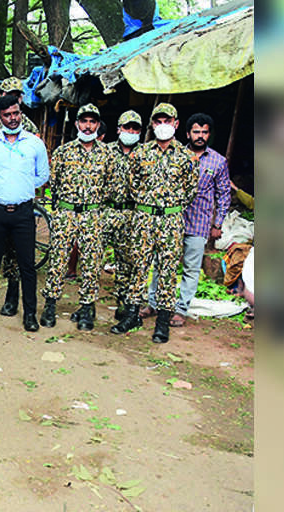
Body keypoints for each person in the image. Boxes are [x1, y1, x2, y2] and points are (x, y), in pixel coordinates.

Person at [111, 103, 198, 343]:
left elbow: (190, 191)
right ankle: (132, 315)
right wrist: (147, 203)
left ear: (176, 124)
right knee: (138, 267)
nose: (162, 126)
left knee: (168, 270)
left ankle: (162, 323)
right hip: (144, 218)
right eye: (158, 121)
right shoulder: (141, 153)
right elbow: (133, 184)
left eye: (167, 121)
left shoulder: (187, 157)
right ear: (152, 124)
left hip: (171, 219)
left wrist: (168, 205)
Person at [0, 94, 48, 332]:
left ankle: (30, 314)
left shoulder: (35, 143)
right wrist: (1, 189)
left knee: (27, 265)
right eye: (7, 115)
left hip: (24, 213)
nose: (13, 119)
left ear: (20, 112)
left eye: (16, 113)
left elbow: (42, 175)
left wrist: (20, 186)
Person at [145, 112, 231, 327]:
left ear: (209, 134)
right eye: (196, 131)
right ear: (187, 133)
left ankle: (181, 309)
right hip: (170, 221)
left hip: (199, 224)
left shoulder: (218, 161)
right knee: (162, 263)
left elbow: (224, 195)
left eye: (204, 132)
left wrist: (217, 224)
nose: (200, 136)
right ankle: (152, 303)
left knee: (191, 269)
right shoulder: (176, 155)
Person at [40, 103, 114, 331]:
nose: (88, 126)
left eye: (93, 121)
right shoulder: (63, 152)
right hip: (66, 212)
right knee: (58, 259)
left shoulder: (107, 154)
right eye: (84, 121)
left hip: (92, 214)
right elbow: (54, 182)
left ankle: (86, 308)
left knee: (91, 262)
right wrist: (61, 210)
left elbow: (111, 186)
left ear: (98, 125)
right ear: (76, 123)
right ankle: (50, 304)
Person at [101, 109, 143, 321]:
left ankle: (122, 303)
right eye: (127, 127)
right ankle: (86, 305)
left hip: (131, 214)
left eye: (135, 128)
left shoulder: (145, 155)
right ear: (119, 129)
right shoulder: (105, 151)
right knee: (93, 257)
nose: (131, 131)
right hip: (106, 211)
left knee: (126, 262)